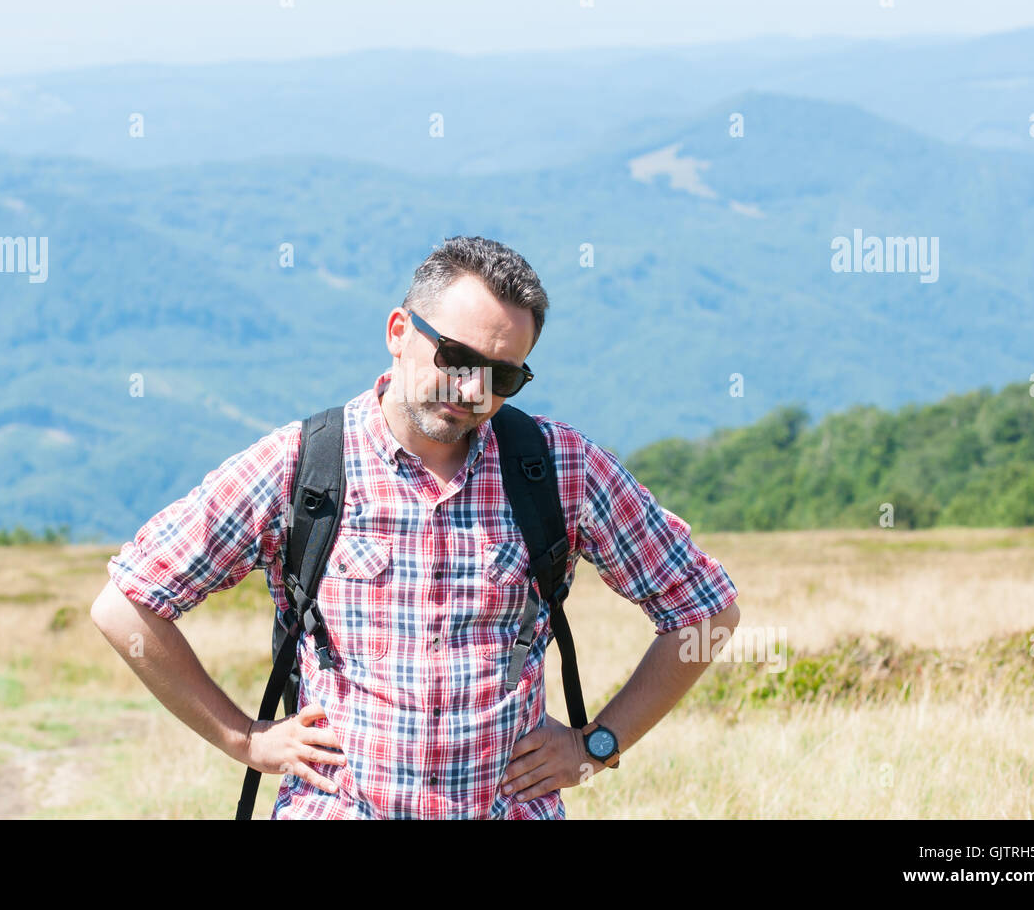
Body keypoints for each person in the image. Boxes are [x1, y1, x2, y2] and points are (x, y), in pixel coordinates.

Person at [90, 235, 740, 819]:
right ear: (399, 329)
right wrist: (245, 738)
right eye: (455, 355)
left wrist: (597, 743)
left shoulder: (558, 468)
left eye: (502, 373)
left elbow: (705, 610)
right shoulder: (303, 465)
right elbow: (127, 604)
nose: (473, 388)